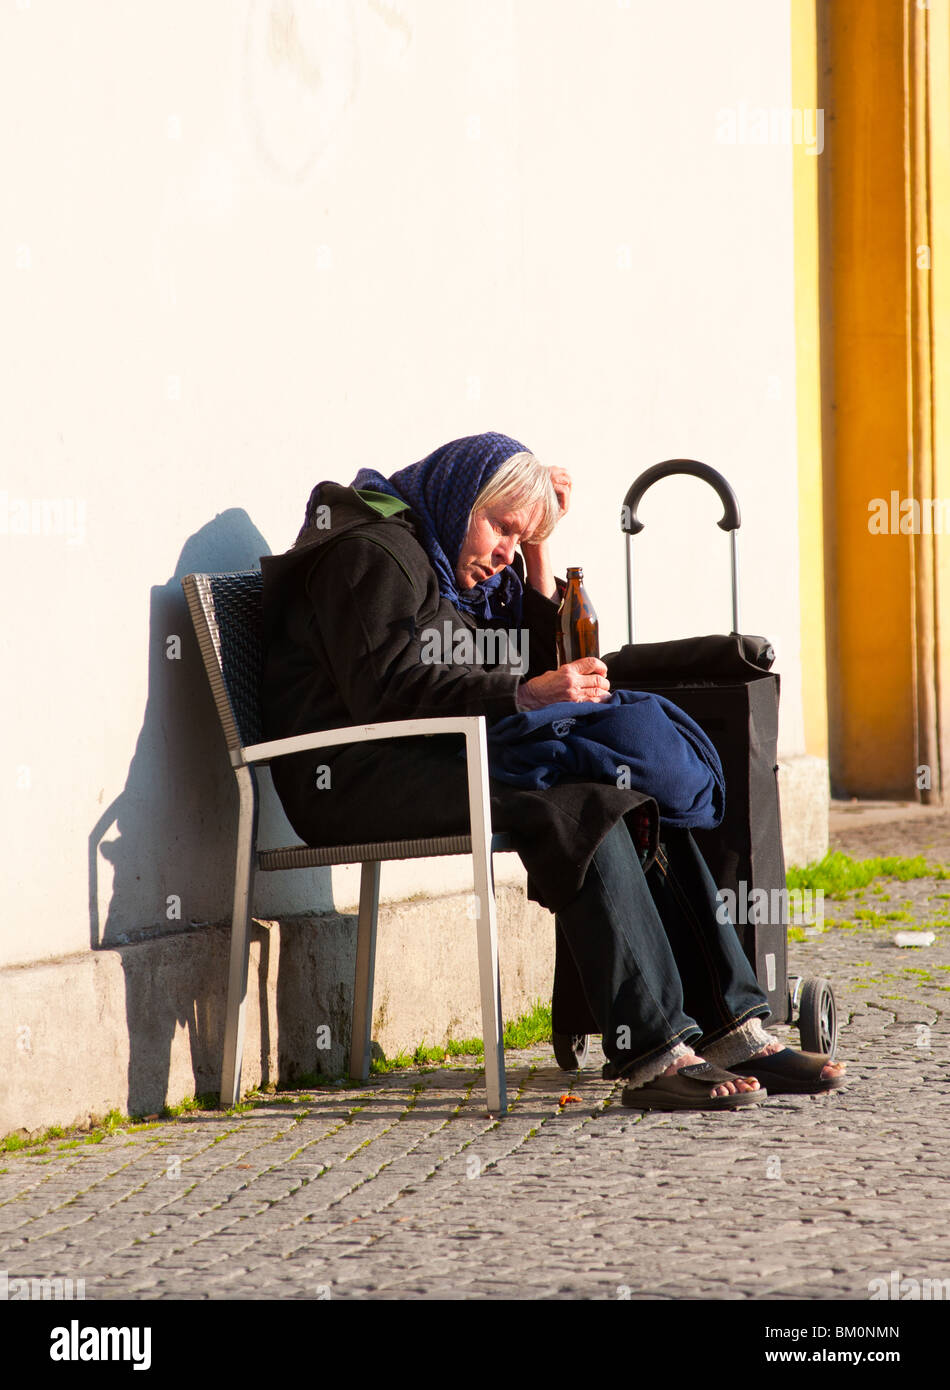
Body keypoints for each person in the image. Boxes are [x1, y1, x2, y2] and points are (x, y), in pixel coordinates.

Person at [260, 431, 845, 1109]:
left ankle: (730, 1028)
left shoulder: (434, 560)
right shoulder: (372, 553)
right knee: (578, 806)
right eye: (502, 528)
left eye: (519, 538)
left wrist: (538, 551)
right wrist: (523, 696)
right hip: (345, 775)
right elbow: (387, 687)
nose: (504, 551)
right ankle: (655, 1052)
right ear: (458, 500)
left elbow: (518, 660)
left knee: (628, 788)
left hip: (418, 755)